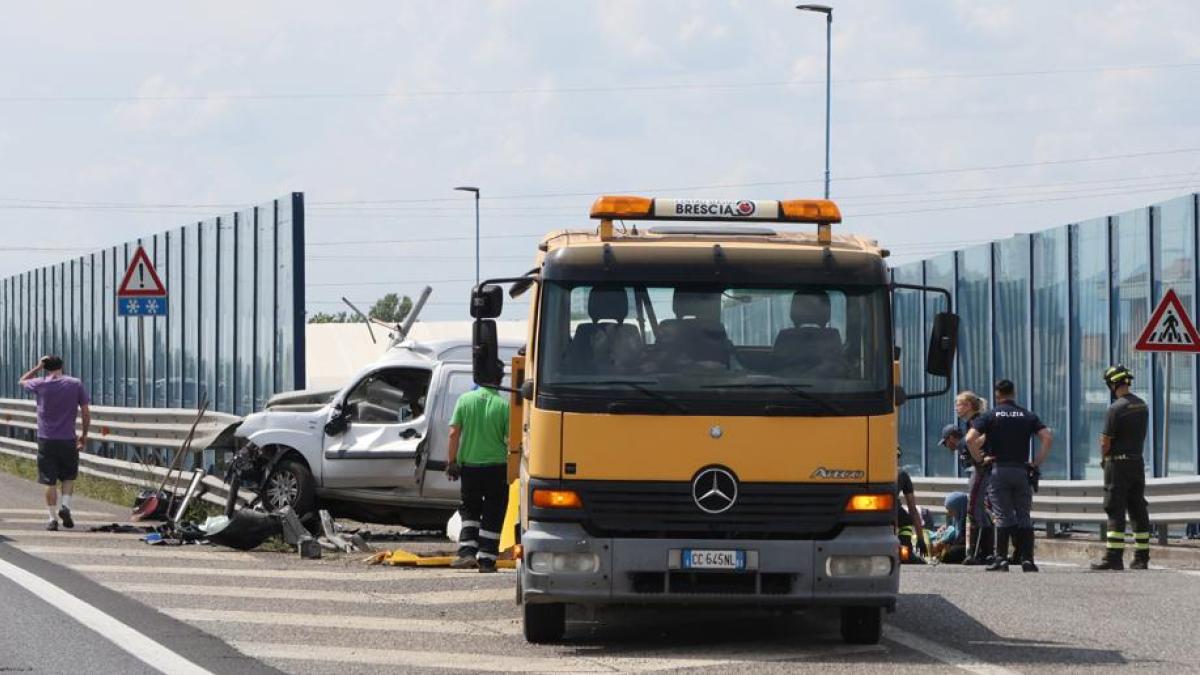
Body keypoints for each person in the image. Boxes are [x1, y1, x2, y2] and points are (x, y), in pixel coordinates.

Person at [965, 379, 1052, 572]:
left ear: (997, 395)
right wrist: (1036, 462)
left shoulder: (991, 415)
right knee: (1024, 515)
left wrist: (979, 459)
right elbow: (1047, 437)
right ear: (1013, 393)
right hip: (1021, 470)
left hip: (998, 470)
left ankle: (1001, 559)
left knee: (1002, 515)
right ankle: (1027, 559)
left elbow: (970, 438)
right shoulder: (1027, 415)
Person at [446, 367, 511, 573]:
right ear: (500, 380)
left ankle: (466, 552)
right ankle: (487, 561)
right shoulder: (504, 406)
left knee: (470, 509)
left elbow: (454, 433)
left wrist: (452, 461)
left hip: (470, 468)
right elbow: (510, 441)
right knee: (493, 512)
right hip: (497, 468)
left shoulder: (465, 400)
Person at [18, 355, 91, 531]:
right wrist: (84, 435)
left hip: (46, 439)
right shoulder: (75, 384)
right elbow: (86, 412)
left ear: (46, 367)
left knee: (49, 481)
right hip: (68, 439)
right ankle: (65, 507)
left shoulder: (40, 383)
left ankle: (52, 519)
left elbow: (22, 381)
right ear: (62, 366)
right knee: (68, 476)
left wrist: (37, 367)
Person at [1091, 365, 1151, 571]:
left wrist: (1103, 459)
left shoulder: (1115, 408)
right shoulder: (1142, 405)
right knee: (1138, 508)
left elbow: (1105, 441)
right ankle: (1142, 557)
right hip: (1137, 462)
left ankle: (1113, 557)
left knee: (1114, 507)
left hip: (1117, 464)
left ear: (1112, 384)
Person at [945, 391, 995, 565]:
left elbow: (982, 437)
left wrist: (979, 457)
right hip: (982, 468)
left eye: (959, 404)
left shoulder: (977, 421)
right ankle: (986, 552)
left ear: (968, 406)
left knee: (973, 510)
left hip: (982, 469)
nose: (956, 408)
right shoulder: (972, 422)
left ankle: (975, 553)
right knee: (979, 511)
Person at [896, 451, 926, 562]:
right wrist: (920, 539)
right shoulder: (901, 475)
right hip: (890, 509)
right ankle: (905, 554)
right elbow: (912, 509)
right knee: (906, 521)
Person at [931, 492, 968, 563]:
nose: (948, 512)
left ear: (959, 508)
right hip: (955, 545)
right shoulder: (956, 518)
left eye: (951, 509)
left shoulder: (969, 520)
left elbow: (965, 542)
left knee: (948, 553)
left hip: (966, 548)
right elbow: (950, 529)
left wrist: (946, 545)